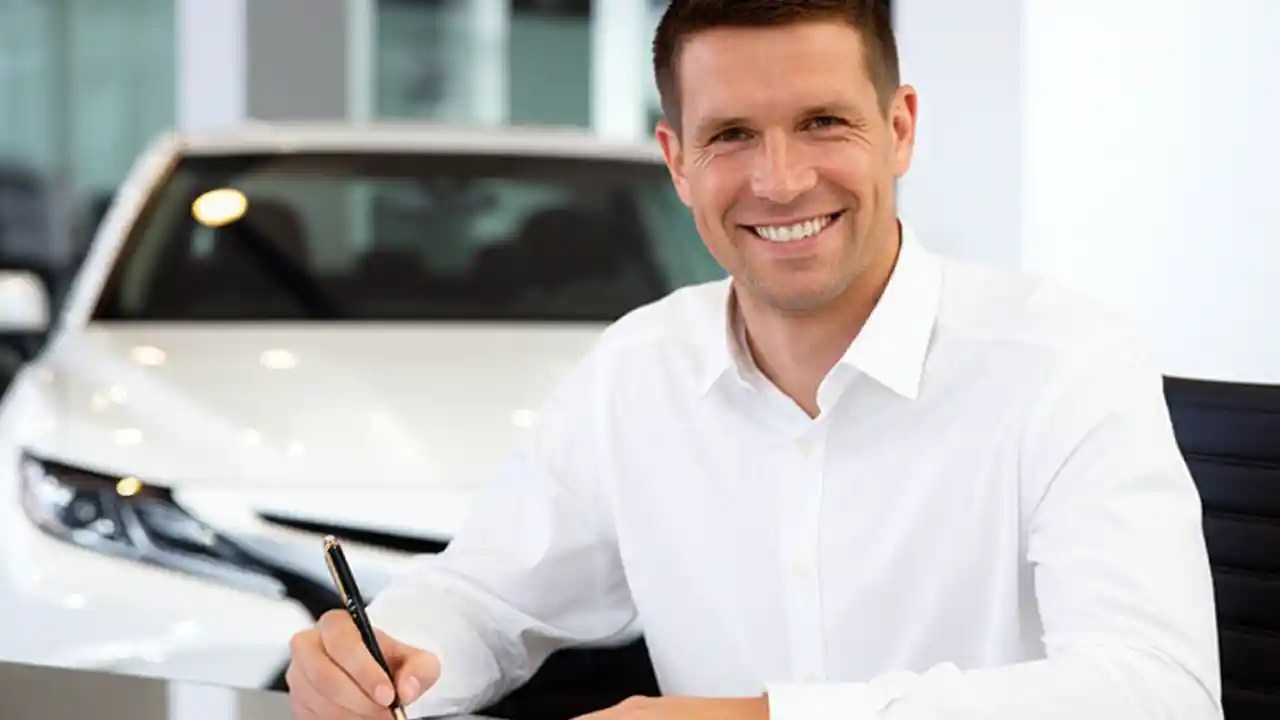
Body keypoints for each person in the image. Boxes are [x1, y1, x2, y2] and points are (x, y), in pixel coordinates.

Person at [286, 1, 1221, 718]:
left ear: (900, 128)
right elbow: (485, 598)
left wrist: (765, 717)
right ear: (677, 158)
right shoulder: (639, 370)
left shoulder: (1063, 362)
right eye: (732, 134)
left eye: (823, 122)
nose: (780, 180)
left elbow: (1159, 691)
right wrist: (381, 655)